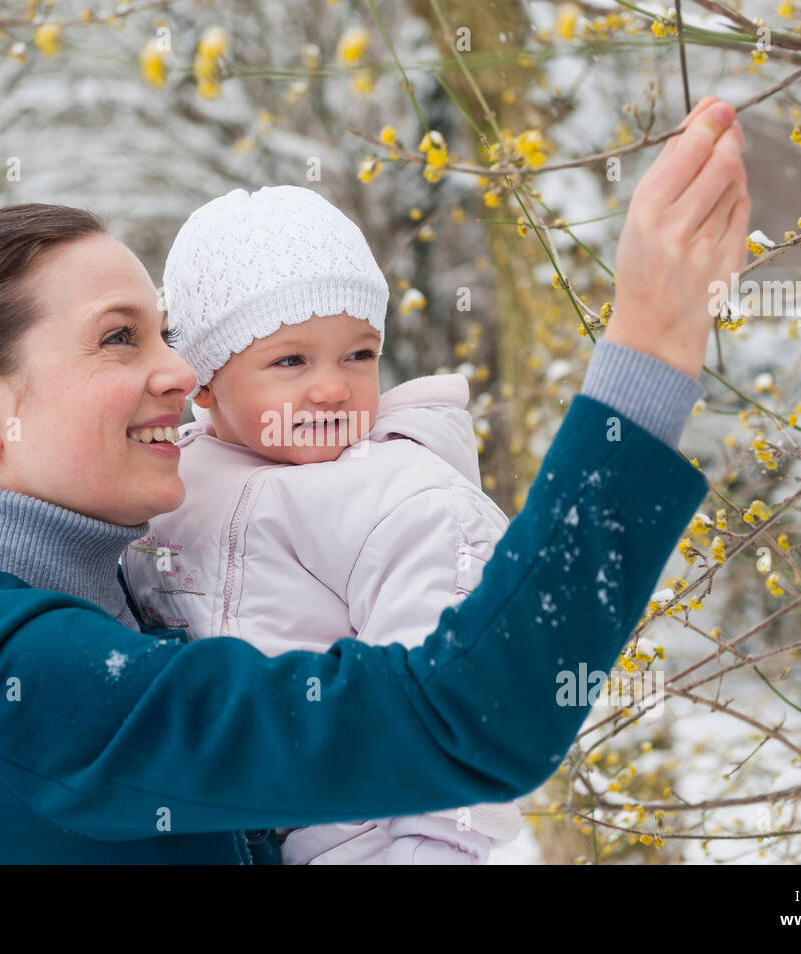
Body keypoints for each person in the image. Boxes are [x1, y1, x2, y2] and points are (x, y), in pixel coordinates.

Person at [0, 95, 748, 864]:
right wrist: (650, 353)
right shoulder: (16, 676)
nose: (178, 370)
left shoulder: (65, 610)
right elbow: (471, 715)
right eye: (120, 336)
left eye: (166, 330)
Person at [122, 184, 524, 864]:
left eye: (358, 354)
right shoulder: (164, 483)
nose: (335, 387)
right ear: (204, 382)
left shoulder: (402, 502)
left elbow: (457, 713)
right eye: (291, 360)